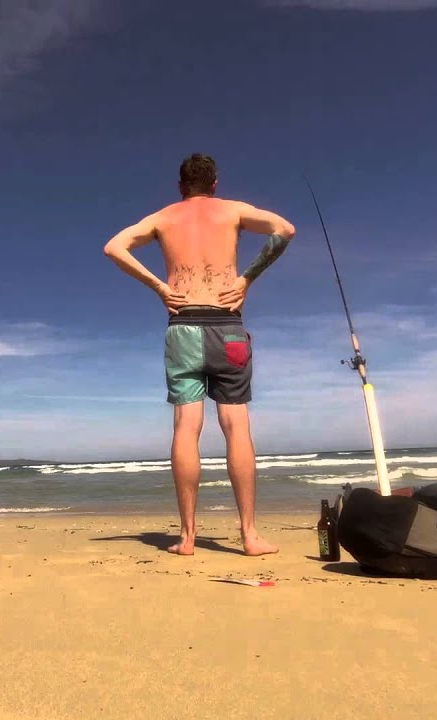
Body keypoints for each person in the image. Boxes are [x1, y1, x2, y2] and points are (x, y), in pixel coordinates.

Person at [103, 153, 295, 556]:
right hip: (228, 326)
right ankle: (249, 536)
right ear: (214, 183)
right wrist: (246, 279)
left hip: (183, 325)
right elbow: (284, 229)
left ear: (180, 186)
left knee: (185, 429)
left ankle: (188, 537)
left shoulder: (162, 217)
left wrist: (160, 287)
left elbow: (114, 247)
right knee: (236, 426)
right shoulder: (234, 210)